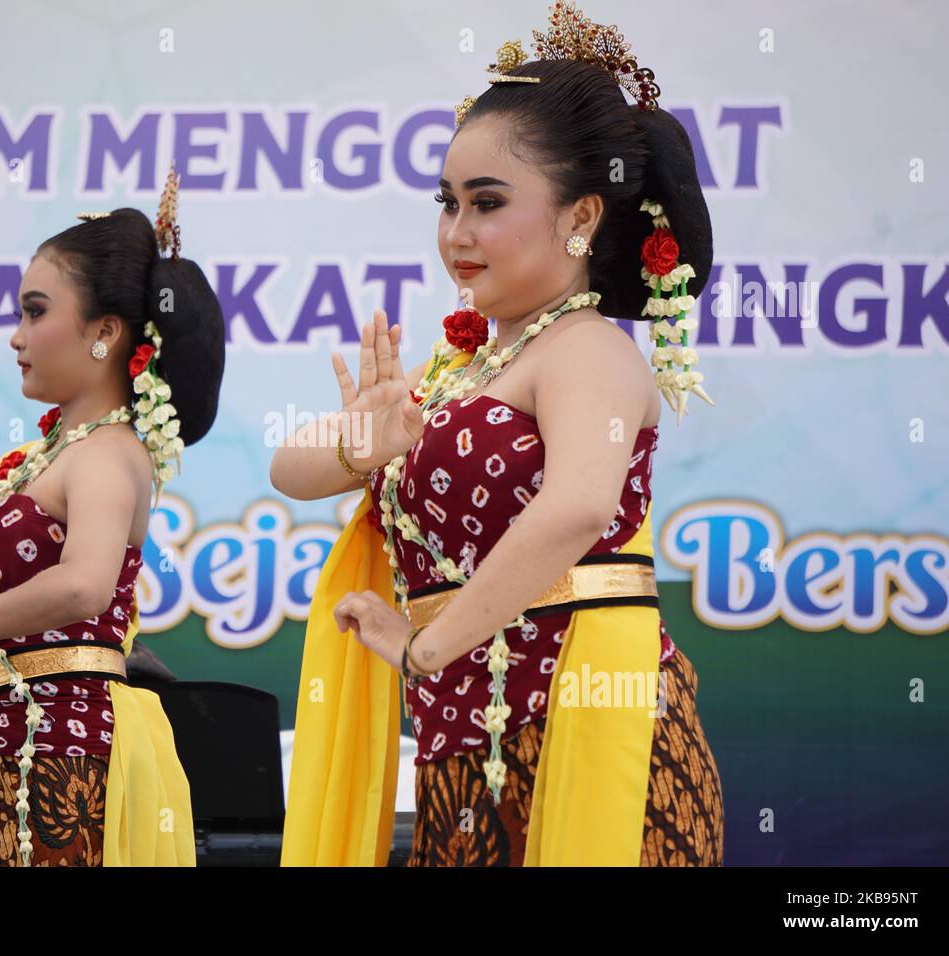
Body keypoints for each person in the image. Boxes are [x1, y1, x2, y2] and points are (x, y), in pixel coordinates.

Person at [274, 1, 724, 866]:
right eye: (447, 203)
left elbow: (579, 508)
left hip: (590, 724)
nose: (456, 234)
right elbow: (288, 470)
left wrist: (427, 646)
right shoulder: (459, 370)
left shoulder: (587, 351)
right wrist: (360, 449)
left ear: (581, 217)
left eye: (486, 203)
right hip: (464, 745)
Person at [0, 168, 225, 866]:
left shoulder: (109, 453)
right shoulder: (28, 464)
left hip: (62, 753)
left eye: (35, 311)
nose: (16, 336)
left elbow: (84, 586)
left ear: (104, 333)